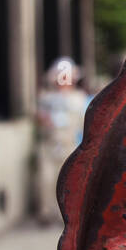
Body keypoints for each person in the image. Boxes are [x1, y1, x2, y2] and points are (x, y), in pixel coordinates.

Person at [35, 57, 89, 225]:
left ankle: (65, 214)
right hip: (50, 144)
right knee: (46, 178)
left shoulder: (80, 98)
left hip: (70, 144)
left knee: (68, 180)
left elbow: (84, 122)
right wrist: (44, 120)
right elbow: (38, 117)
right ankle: (46, 212)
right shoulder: (46, 98)